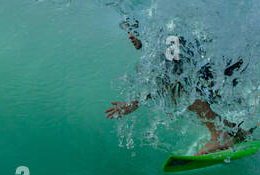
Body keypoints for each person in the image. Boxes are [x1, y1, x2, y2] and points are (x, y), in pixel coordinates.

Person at [104, 17, 251, 153]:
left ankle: (220, 135)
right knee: (177, 89)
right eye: (128, 31)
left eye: (134, 29)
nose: (130, 36)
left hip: (228, 63)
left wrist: (135, 102)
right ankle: (233, 131)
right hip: (225, 63)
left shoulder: (169, 37)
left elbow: (171, 79)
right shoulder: (160, 40)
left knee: (179, 92)